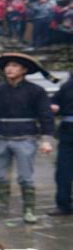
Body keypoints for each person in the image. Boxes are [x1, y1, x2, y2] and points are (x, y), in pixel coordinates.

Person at [0, 53, 55, 223]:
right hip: (2, 138)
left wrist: (46, 140)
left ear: (24, 70)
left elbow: (46, 116)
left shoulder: (36, 91)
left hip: (26, 138)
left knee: (25, 176)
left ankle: (29, 210)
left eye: (15, 66)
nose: (9, 69)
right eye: (7, 66)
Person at [50, 76, 73, 216]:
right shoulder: (68, 85)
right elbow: (54, 101)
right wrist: (54, 106)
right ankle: (63, 204)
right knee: (63, 171)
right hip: (68, 133)